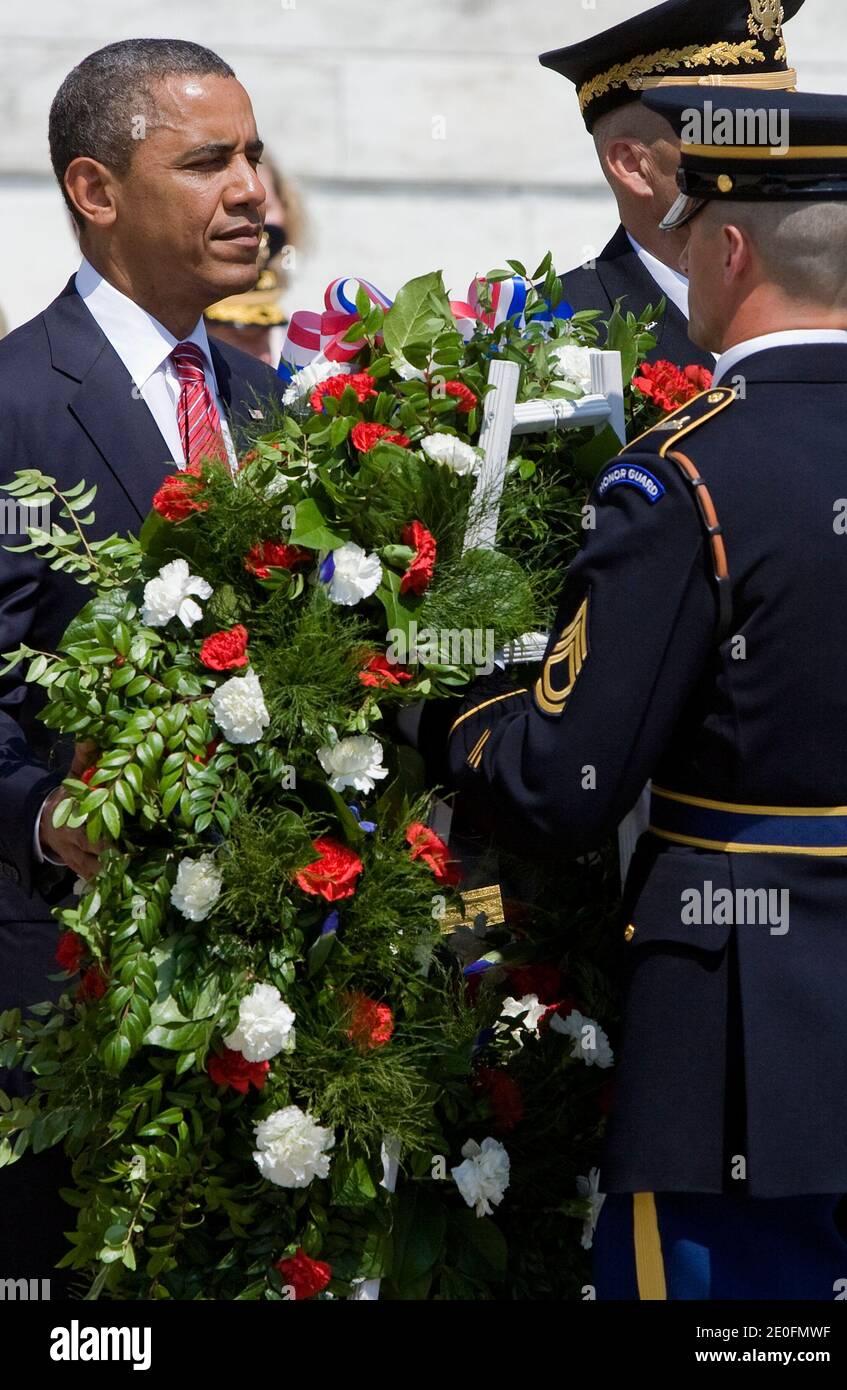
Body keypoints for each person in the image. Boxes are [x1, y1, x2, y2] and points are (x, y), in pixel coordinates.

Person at [445, 89, 847, 1299]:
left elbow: (564, 785)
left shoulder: (681, 475)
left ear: (728, 248)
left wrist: (463, 710)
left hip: (742, 1047)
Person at [0, 36, 283, 1287]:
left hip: (261, 1010)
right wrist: (48, 811)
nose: (254, 194)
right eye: (209, 161)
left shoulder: (275, 407)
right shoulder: (13, 401)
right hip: (59, 998)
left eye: (257, 156)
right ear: (96, 190)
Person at [539, 0, 847, 380]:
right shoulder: (545, 339)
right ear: (634, 166)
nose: (771, 154)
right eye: (729, 135)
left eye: (778, 130)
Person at [205, 154, 308, 365]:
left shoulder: (307, 323)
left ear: (286, 209)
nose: (253, 220)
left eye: (265, 206)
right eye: (235, 209)